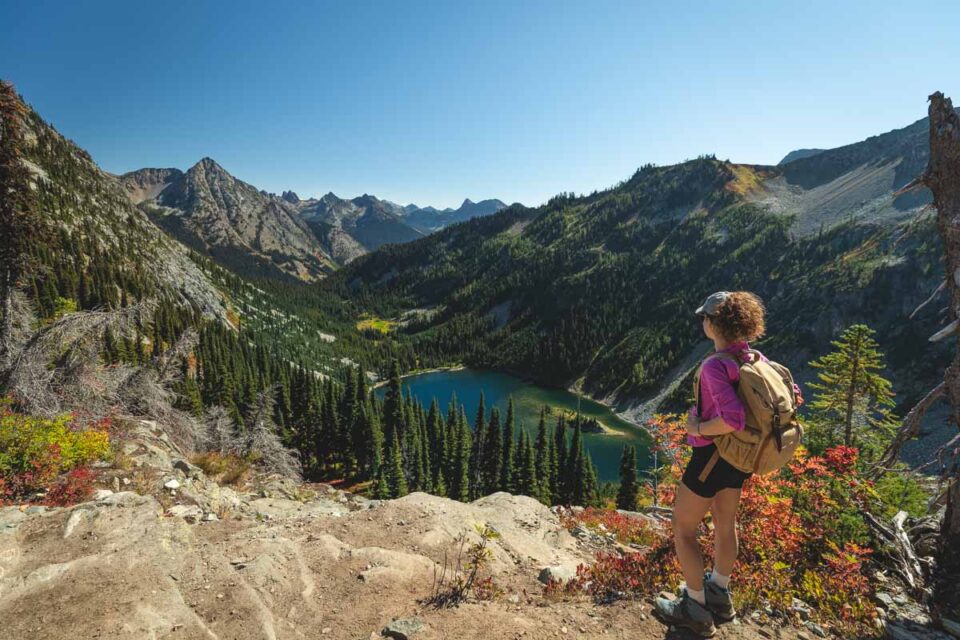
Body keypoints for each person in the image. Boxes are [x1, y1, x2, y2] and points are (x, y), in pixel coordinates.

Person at [653, 291, 801, 637]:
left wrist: (696, 428)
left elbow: (732, 420)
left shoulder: (715, 366)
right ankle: (719, 593)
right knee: (724, 521)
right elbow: (793, 396)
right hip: (742, 458)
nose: (702, 321)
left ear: (714, 324)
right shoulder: (756, 357)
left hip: (713, 456)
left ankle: (694, 609)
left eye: (704, 317)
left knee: (683, 527)